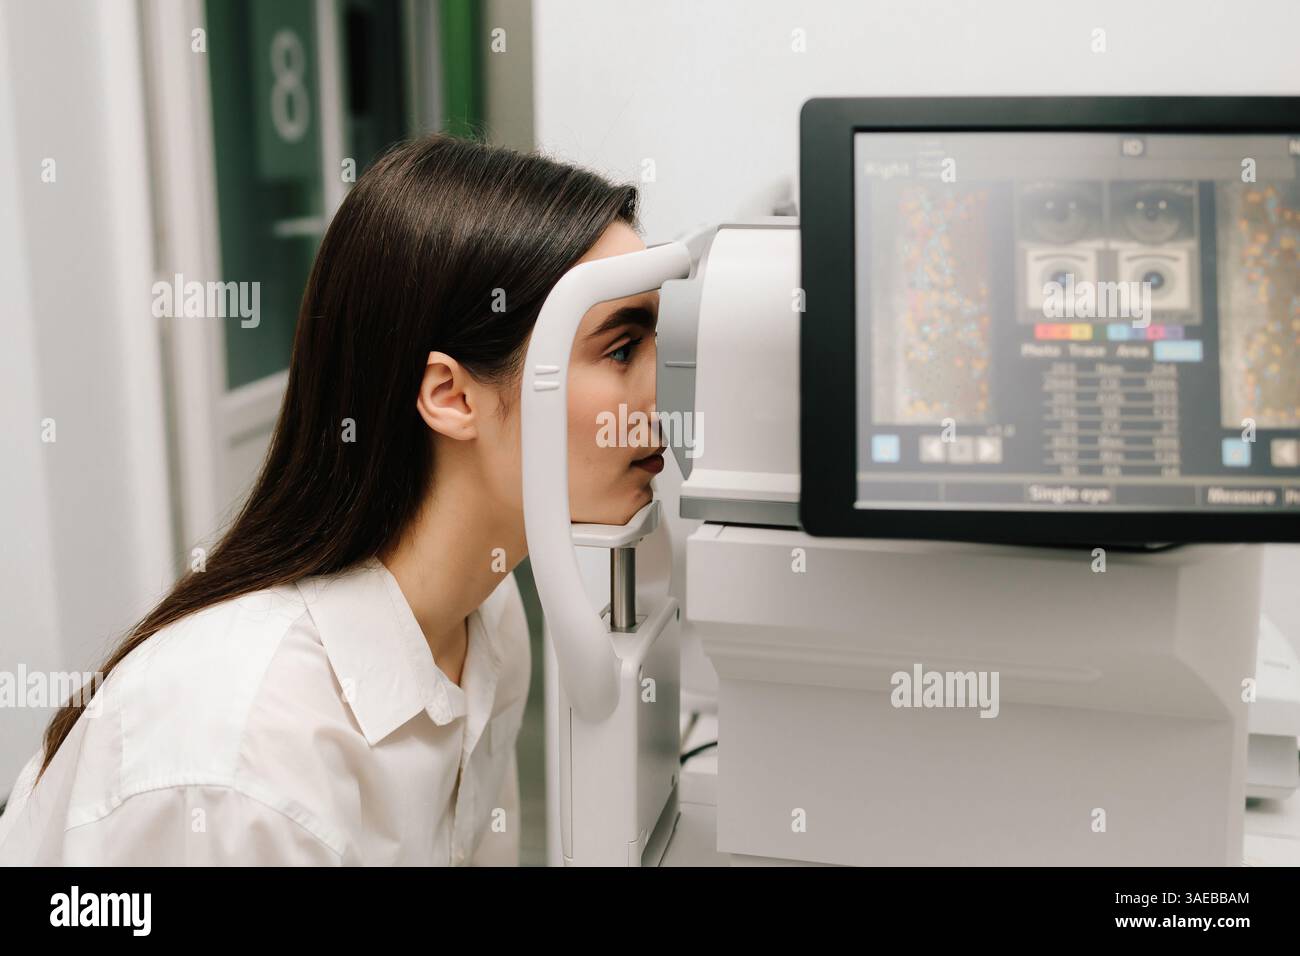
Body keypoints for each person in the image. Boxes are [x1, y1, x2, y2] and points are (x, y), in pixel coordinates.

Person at [0, 134, 666, 865]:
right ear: (451, 396)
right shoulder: (242, 758)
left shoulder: (489, 622)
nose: (664, 395)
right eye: (622, 348)